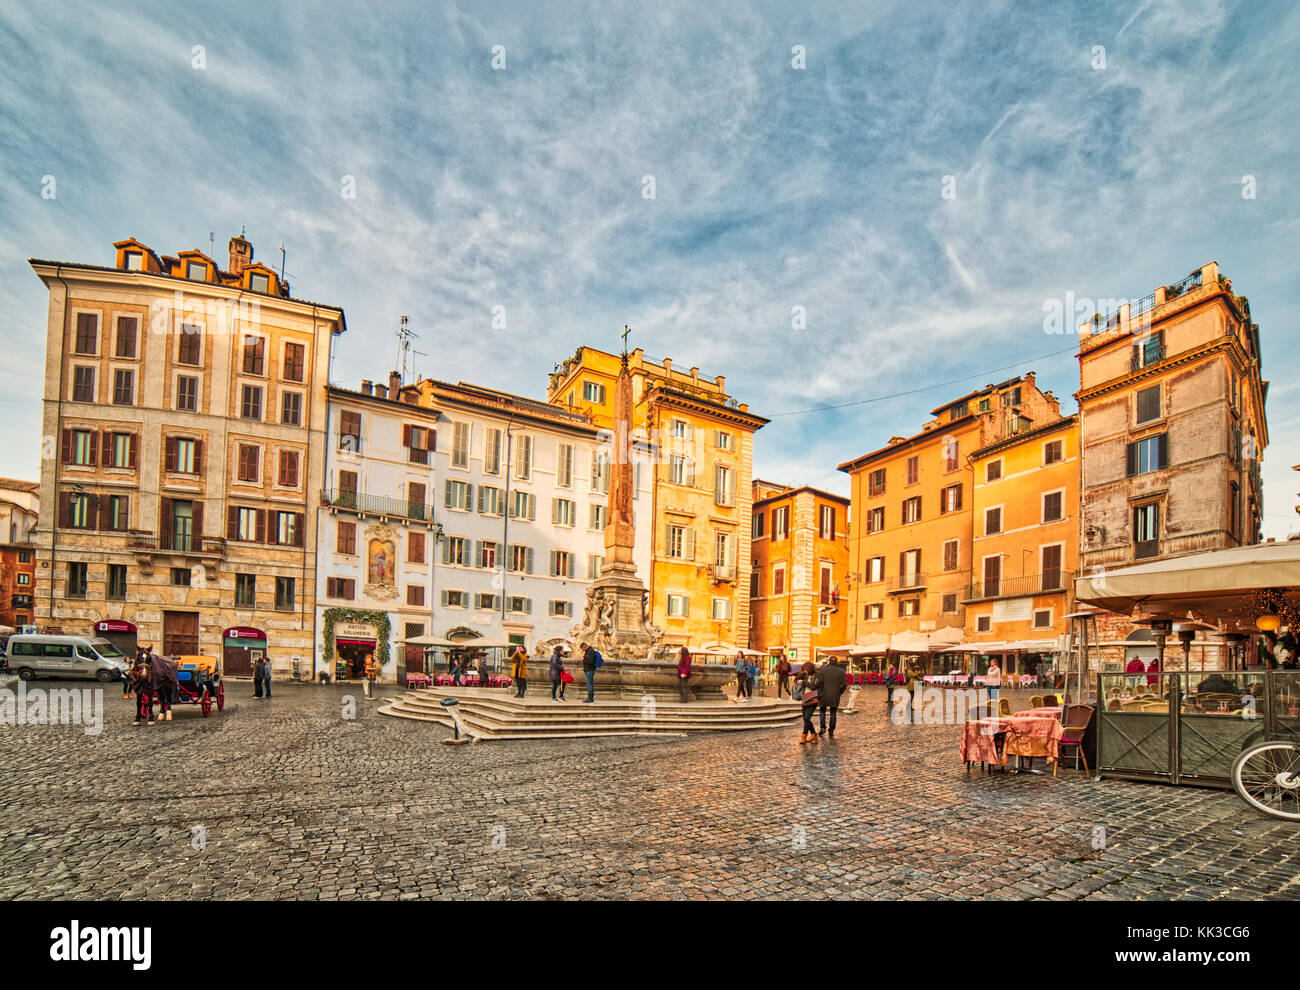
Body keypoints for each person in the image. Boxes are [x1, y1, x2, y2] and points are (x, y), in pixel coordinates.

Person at [815, 657, 848, 739]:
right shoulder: (841, 671)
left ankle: (822, 728)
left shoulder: (822, 670)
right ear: (836, 662)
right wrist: (840, 692)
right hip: (835, 694)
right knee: (833, 712)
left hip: (823, 694)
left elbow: (818, 682)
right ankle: (831, 730)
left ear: (829, 662)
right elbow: (844, 684)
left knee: (822, 711)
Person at [795, 662, 819, 743]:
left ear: (809, 669)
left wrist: (804, 682)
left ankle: (804, 735)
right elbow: (796, 680)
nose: (804, 671)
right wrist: (800, 676)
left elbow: (813, 686)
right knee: (805, 718)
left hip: (813, 698)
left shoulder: (816, 675)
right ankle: (814, 734)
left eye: (805, 669)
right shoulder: (805, 675)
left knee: (806, 718)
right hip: (805, 698)